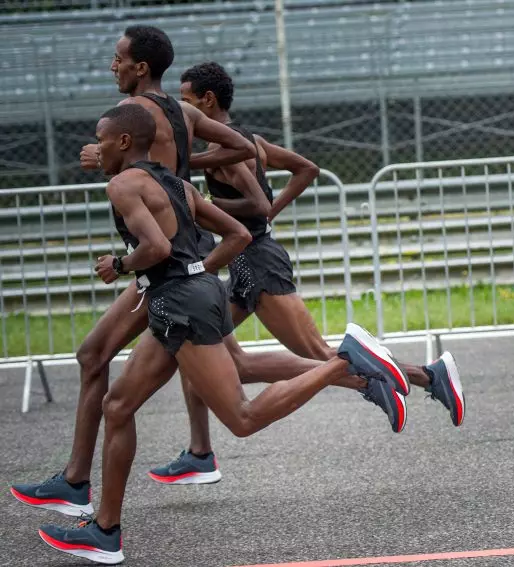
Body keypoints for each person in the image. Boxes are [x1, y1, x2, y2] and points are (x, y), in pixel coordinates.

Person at [8, 25, 394, 515]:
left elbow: (170, 201)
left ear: (140, 67)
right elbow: (241, 148)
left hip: (168, 264)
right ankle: (165, 464)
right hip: (188, 256)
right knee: (173, 371)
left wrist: (113, 168)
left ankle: (358, 368)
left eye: (118, 57)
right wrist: (186, 171)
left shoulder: (135, 122)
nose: (112, 65)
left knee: (202, 393)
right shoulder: (183, 111)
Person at [36, 104, 407, 565]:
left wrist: (121, 265)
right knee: (117, 405)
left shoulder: (123, 184)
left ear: (125, 142)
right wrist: (196, 274)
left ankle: (345, 360)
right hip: (190, 296)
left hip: (180, 305)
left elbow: (154, 247)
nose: (95, 149)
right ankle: (105, 531)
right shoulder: (180, 185)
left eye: (102, 139)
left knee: (242, 418)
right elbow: (238, 233)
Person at [140, 61, 467, 485]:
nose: (179, 112)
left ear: (207, 101)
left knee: (319, 353)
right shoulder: (247, 140)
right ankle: (200, 451)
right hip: (246, 263)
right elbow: (306, 169)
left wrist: (210, 209)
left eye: (185, 101)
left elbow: (257, 203)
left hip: (257, 262)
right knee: (208, 354)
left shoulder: (225, 152)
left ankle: (424, 377)